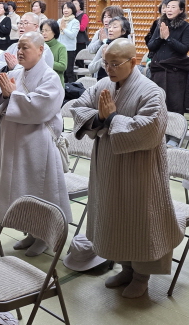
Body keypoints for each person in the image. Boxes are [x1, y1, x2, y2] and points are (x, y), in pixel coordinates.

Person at [72, 39, 180, 299]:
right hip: (109, 164)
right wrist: (99, 117)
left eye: (115, 64)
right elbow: (78, 106)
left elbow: (151, 128)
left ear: (134, 61)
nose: (109, 68)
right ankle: (125, 267)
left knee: (140, 218)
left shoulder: (151, 91)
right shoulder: (104, 85)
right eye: (106, 63)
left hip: (139, 168)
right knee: (115, 216)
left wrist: (111, 119)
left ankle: (142, 276)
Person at [0, 32, 72, 258]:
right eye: (19, 47)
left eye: (25, 47)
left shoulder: (50, 77)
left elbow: (40, 108)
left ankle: (43, 236)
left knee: (38, 187)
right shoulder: (16, 72)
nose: (20, 52)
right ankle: (30, 232)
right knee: (21, 187)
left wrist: (12, 96)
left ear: (41, 50)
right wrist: (6, 96)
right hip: (14, 139)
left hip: (37, 142)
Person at [147, 0, 189, 114]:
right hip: (158, 71)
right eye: (167, 7)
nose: (169, 10)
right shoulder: (160, 24)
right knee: (156, 105)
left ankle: (174, 131)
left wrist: (168, 38)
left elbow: (184, 49)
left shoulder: (186, 27)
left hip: (176, 73)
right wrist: (160, 38)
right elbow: (151, 46)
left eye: (173, 7)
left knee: (174, 107)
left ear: (181, 10)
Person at [57, 1, 81, 83]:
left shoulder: (75, 22)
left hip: (69, 50)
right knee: (60, 71)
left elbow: (72, 35)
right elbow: (56, 34)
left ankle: (70, 89)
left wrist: (63, 29)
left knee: (68, 72)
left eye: (68, 8)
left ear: (72, 10)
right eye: (64, 8)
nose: (65, 10)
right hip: (59, 49)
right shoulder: (59, 20)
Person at [41, 19, 68, 83]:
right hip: (42, 80)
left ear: (54, 32)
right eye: (42, 31)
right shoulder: (40, 46)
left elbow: (63, 66)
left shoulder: (61, 47)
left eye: (47, 31)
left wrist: (45, 61)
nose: (44, 33)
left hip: (56, 82)